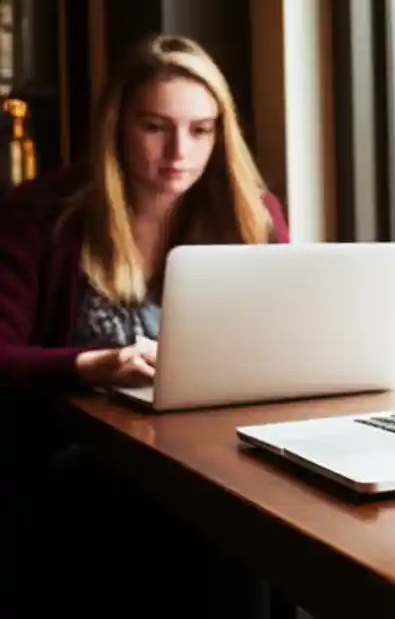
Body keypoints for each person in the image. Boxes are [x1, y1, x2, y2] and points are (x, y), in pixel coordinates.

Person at [0, 34, 288, 617]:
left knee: (264, 519)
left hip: (212, 450)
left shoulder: (251, 214)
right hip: (73, 450)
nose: (178, 150)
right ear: (118, 126)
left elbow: (279, 343)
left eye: (201, 129)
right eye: (155, 127)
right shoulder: (43, 212)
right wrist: (89, 364)